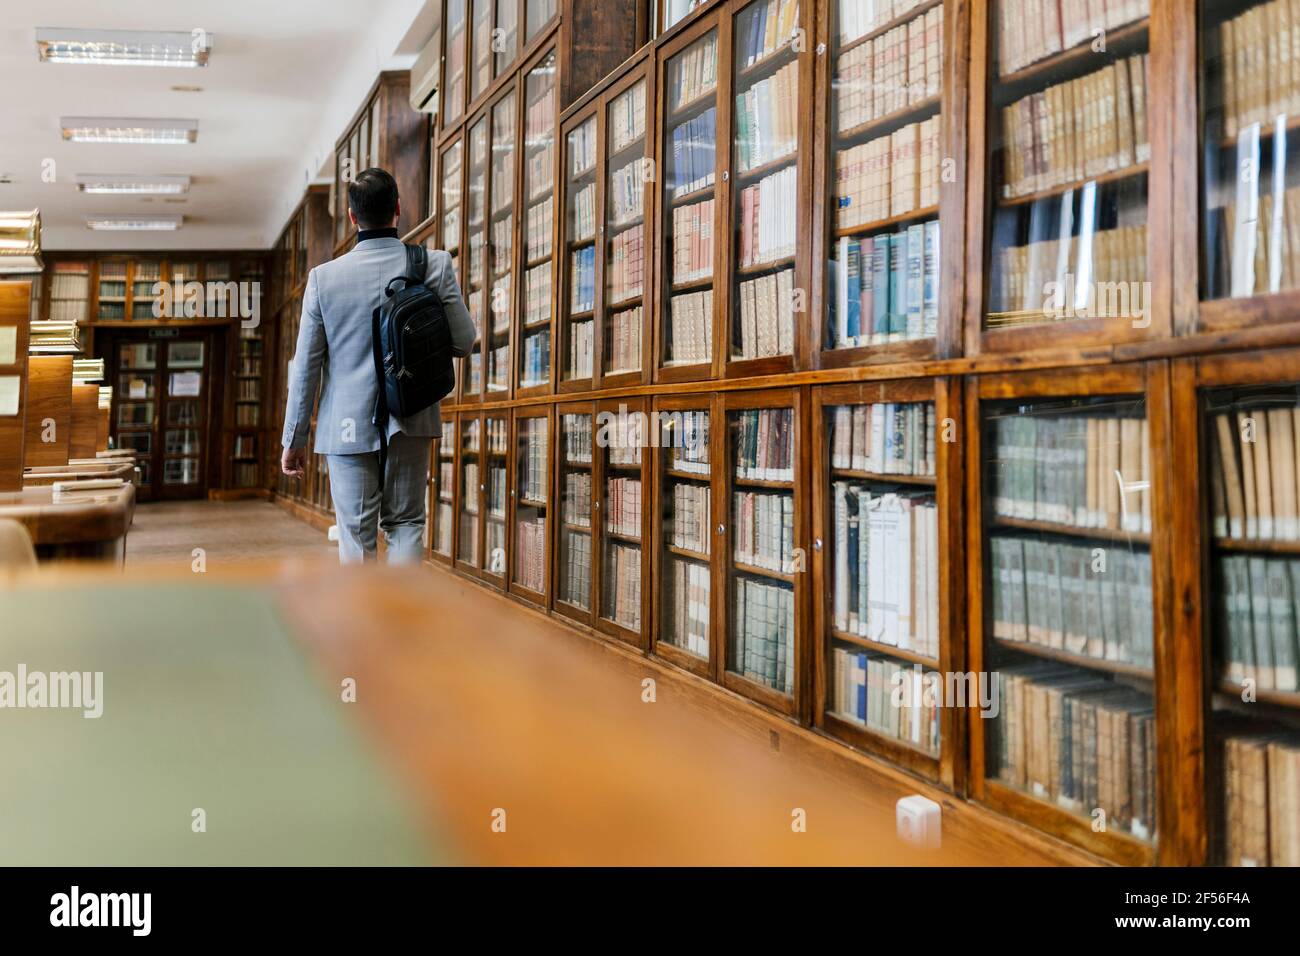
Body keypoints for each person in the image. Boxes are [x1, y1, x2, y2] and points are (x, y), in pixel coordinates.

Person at [280, 168, 476, 563]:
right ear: (398, 210)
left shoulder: (323, 279)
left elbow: (306, 368)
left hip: (346, 425)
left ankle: (363, 622)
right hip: (412, 417)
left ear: (352, 218)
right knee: (405, 524)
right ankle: (402, 621)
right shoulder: (433, 265)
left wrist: (294, 439)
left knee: (355, 534)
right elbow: (464, 340)